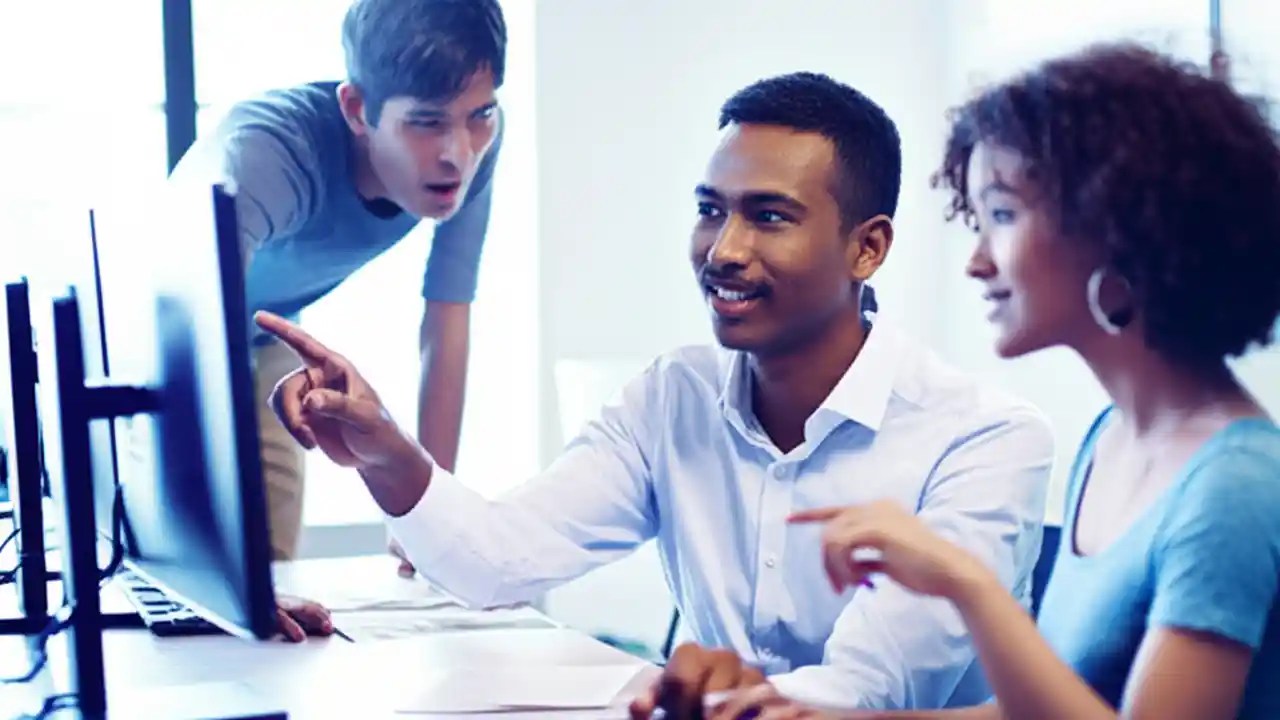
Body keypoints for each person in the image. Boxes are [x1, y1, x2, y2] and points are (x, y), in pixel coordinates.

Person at [254, 71, 1055, 709]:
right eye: (711, 211)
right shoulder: (674, 395)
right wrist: (383, 450)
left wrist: (709, 700)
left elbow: (866, 691)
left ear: (867, 248)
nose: (725, 251)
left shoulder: (985, 441)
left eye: (769, 217)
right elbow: (500, 560)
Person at [652, 43, 1280, 720]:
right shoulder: (1112, 441)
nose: (977, 261)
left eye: (1003, 217)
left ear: (1120, 227)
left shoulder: (1234, 486)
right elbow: (1036, 712)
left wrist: (966, 584)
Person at [169, 0, 506, 562]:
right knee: (218, 573)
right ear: (356, 109)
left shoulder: (476, 142)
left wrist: (427, 520)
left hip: (263, 332)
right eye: (426, 122)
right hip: (176, 340)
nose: (458, 155)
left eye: (480, 115)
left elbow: (447, 316)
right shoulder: (265, 156)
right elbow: (194, 331)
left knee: (271, 581)